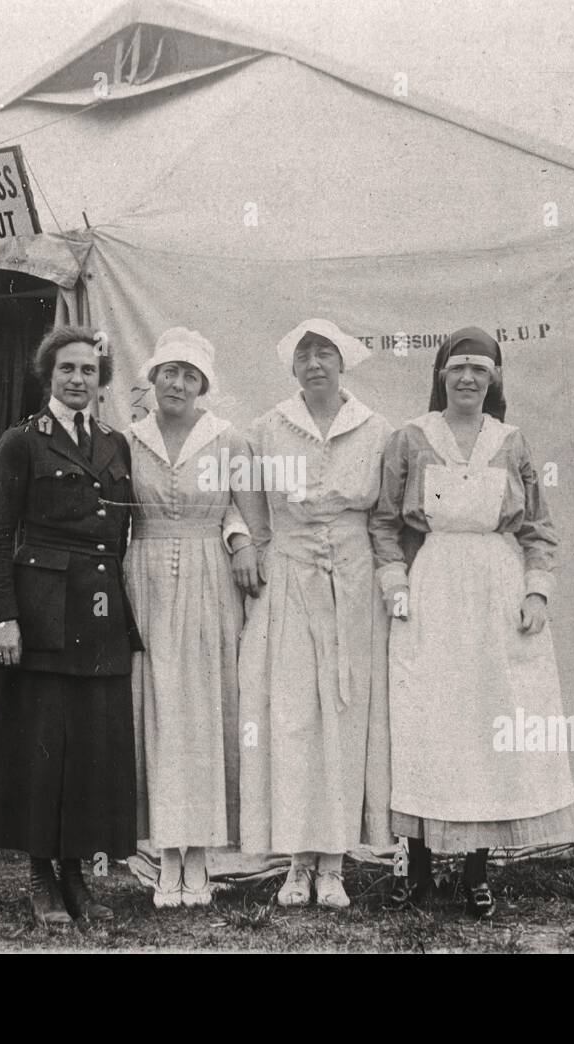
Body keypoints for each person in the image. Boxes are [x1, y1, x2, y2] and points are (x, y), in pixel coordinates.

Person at [370, 326, 574, 917]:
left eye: (479, 371)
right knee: (427, 719)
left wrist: (536, 593)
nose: (467, 379)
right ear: (440, 375)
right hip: (431, 587)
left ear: (494, 380)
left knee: (488, 719)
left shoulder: (511, 442)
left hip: (496, 588)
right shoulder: (411, 437)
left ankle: (477, 871)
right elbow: (386, 522)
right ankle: (418, 867)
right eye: (458, 368)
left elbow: (537, 526)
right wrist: (396, 585)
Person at [0, 324, 142, 926]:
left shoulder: (114, 442)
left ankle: (76, 875)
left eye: (89, 371)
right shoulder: (22, 441)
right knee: (42, 748)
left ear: (101, 382)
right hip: (42, 614)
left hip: (98, 613)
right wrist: (6, 619)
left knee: (90, 747)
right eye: (67, 369)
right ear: (49, 376)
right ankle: (40, 876)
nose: (78, 379)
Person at [239, 318, 393, 910]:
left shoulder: (375, 428)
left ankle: (334, 863)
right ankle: (297, 865)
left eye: (325, 353)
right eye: (304, 354)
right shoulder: (266, 429)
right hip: (291, 576)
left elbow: (385, 514)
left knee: (346, 712)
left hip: (353, 582)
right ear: (292, 366)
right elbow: (243, 506)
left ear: (343, 362)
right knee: (295, 716)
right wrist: (245, 543)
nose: (315, 364)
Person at [125, 328, 269, 909]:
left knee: (207, 706)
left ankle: (202, 856)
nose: (177, 384)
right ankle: (165, 854)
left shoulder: (227, 438)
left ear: (203, 384)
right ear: (153, 379)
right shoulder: (128, 439)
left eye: (189, 375)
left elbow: (246, 511)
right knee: (159, 707)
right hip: (147, 575)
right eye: (168, 373)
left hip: (208, 575)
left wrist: (237, 543)